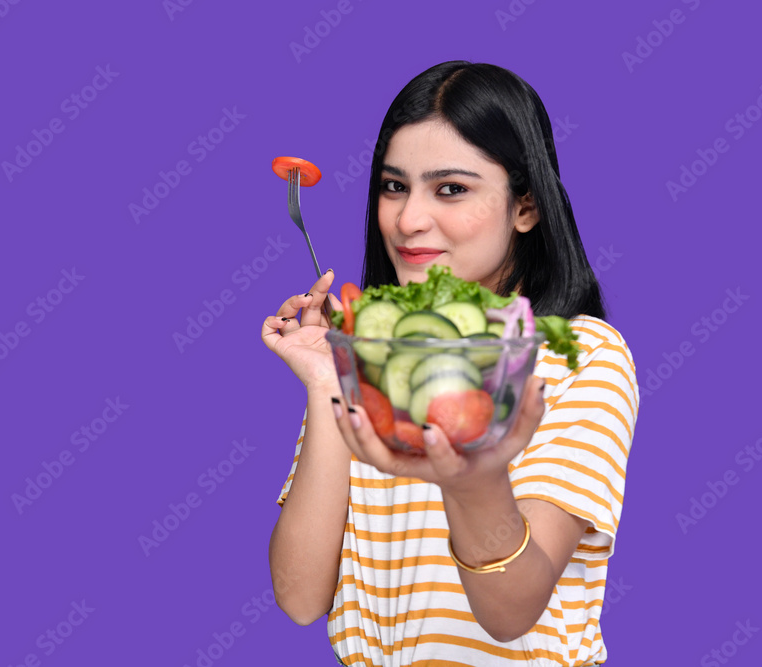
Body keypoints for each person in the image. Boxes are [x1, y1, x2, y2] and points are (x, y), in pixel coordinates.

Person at [262, 61, 640, 667]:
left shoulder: (576, 354)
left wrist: (470, 479)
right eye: (394, 186)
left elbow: (510, 611)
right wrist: (329, 383)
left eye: (451, 189)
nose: (409, 219)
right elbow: (301, 597)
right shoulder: (367, 351)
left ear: (526, 206)